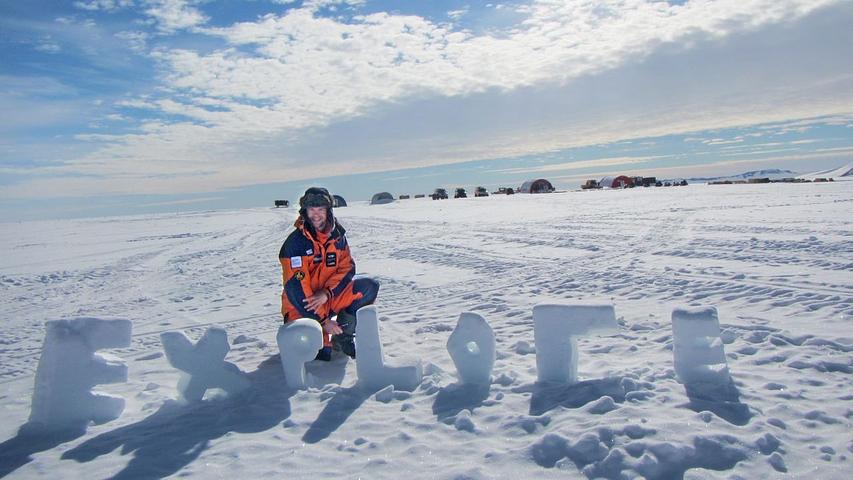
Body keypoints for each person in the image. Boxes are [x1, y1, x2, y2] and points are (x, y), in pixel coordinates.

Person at [279, 187, 379, 360]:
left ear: (328, 210)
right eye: (311, 209)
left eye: (321, 209)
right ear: (305, 211)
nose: (316, 215)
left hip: (327, 298)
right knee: (320, 356)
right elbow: (296, 288)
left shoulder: (338, 237)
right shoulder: (295, 243)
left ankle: (343, 335)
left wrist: (327, 293)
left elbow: (347, 268)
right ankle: (321, 337)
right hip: (302, 306)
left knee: (369, 287)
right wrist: (324, 321)